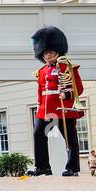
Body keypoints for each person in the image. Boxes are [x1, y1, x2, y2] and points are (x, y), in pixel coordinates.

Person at [30, 26, 84, 177]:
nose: (48, 55)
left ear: (58, 51)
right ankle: (42, 166)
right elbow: (40, 91)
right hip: (46, 109)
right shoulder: (41, 71)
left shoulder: (68, 67)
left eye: (51, 52)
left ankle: (72, 168)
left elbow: (78, 88)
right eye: (45, 53)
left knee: (70, 139)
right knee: (38, 134)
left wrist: (67, 94)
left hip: (63, 107)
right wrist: (40, 105)